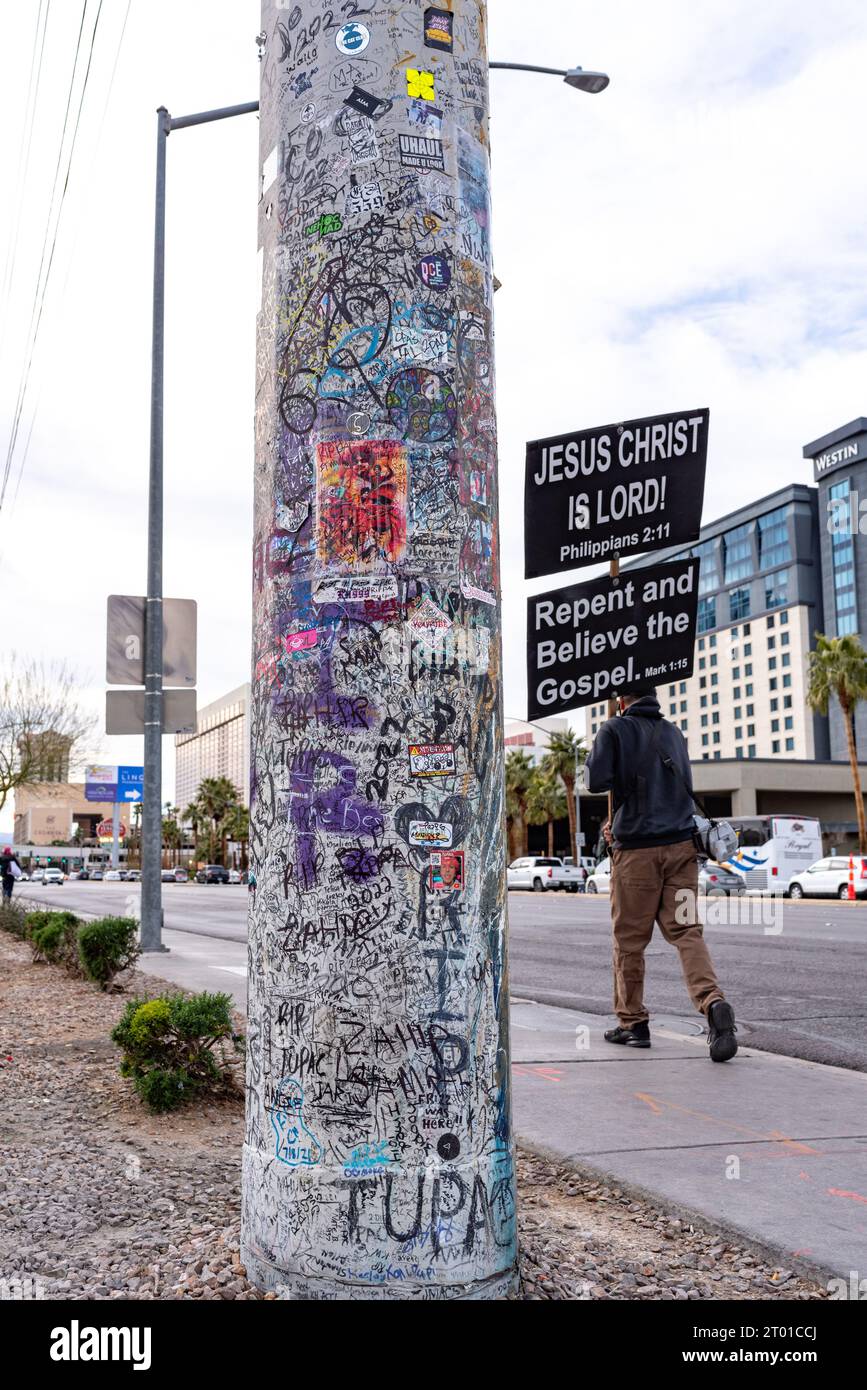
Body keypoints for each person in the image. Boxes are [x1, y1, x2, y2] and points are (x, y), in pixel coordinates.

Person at [584, 684, 737, 1063]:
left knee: (630, 941)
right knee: (687, 931)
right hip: (682, 853)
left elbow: (594, 781)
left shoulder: (613, 728)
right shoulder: (673, 732)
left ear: (622, 699)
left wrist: (604, 740)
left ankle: (633, 1023)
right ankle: (712, 1002)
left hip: (637, 856)